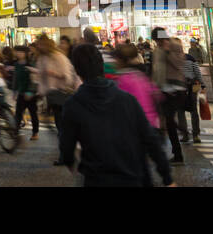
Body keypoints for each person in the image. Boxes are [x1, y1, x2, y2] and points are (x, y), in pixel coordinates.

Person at [58, 44, 173, 187]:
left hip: (97, 178)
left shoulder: (73, 105)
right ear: (102, 65)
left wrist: (69, 161)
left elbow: (66, 144)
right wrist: (167, 177)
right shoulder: (127, 99)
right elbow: (150, 138)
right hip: (133, 177)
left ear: (77, 70)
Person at [151, 28, 186, 163]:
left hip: (176, 89)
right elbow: (157, 69)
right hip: (163, 89)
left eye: (158, 40)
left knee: (169, 121)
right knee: (167, 120)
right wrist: (154, 85)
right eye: (156, 41)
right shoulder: (157, 49)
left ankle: (178, 154)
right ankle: (177, 150)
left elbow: (179, 64)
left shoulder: (175, 46)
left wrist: (167, 51)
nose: (157, 43)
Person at [111, 41, 161, 131]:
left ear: (121, 60)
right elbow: (157, 95)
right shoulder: (140, 75)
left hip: (138, 127)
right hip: (152, 124)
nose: (114, 63)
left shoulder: (122, 80)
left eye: (116, 60)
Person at [174, 38, 202, 144]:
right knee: (193, 111)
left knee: (181, 111)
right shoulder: (190, 58)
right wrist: (202, 84)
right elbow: (197, 72)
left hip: (181, 88)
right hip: (191, 87)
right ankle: (195, 135)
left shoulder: (172, 59)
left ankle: (186, 134)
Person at [10, 45, 39, 140]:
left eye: (21, 52)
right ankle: (16, 131)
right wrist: (14, 91)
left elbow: (34, 80)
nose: (19, 54)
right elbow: (16, 79)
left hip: (31, 94)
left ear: (26, 53)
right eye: (17, 52)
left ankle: (35, 133)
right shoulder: (17, 64)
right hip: (21, 93)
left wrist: (30, 92)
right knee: (18, 113)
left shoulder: (30, 64)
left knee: (33, 113)